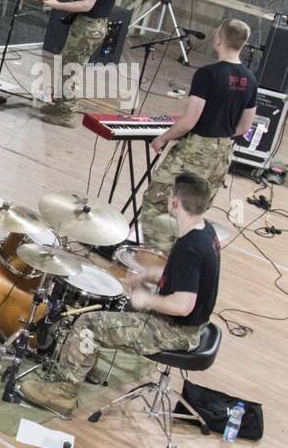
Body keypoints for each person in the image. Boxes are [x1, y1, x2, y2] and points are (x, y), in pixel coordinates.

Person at [23, 173, 220, 415]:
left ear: (176, 202)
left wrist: (147, 299)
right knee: (113, 305)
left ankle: (64, 394)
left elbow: (182, 306)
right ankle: (85, 362)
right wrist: (149, 274)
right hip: (192, 325)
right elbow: (189, 277)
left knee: (88, 324)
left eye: (170, 194)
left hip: (175, 331)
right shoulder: (204, 231)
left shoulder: (189, 248)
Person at [138, 20, 258, 250]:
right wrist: (220, 133)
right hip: (221, 155)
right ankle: (179, 257)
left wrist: (163, 138)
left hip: (195, 151)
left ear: (219, 39)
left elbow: (189, 121)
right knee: (191, 211)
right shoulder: (250, 80)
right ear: (242, 44)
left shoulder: (208, 74)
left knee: (158, 202)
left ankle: (155, 257)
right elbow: (244, 127)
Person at [39, 0, 118, 127]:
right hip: (96, 25)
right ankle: (60, 104)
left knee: (71, 68)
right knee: (68, 64)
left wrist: (57, 5)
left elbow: (87, 4)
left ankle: (67, 112)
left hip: (88, 27)